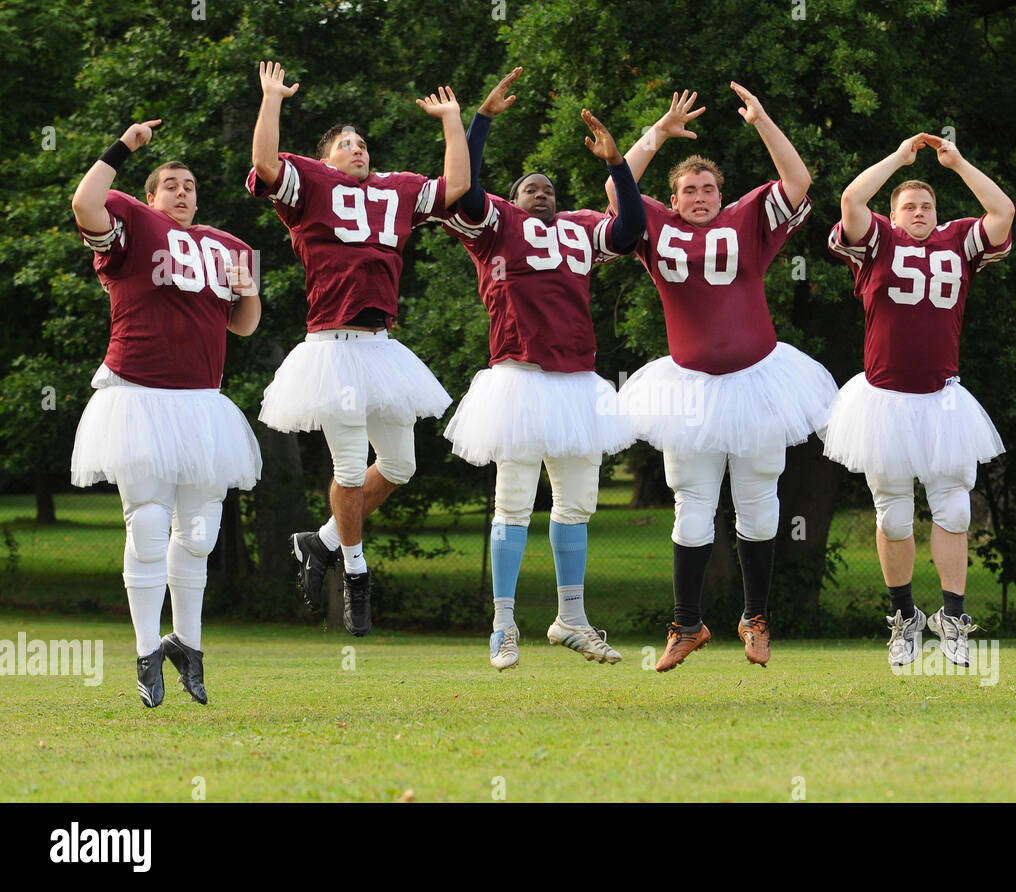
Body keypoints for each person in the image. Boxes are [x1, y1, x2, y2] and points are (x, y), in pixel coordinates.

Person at [606, 86, 837, 672]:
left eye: (709, 188)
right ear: (672, 198)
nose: (701, 196)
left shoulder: (746, 219)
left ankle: (755, 616)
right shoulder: (653, 224)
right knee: (692, 505)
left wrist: (763, 120)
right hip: (688, 387)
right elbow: (616, 188)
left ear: (722, 193)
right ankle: (687, 624)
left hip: (760, 379)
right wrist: (658, 132)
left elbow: (799, 180)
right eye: (689, 189)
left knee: (759, 505)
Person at [248, 61, 468, 637]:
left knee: (401, 465)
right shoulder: (310, 184)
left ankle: (317, 541)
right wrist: (271, 99)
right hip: (332, 346)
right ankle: (355, 571)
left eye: (362, 143)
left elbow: (458, 188)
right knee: (347, 466)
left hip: (381, 347)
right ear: (326, 160)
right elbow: (266, 163)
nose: (358, 149)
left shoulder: (395, 190)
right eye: (346, 145)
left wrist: (453, 122)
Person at [441, 67, 644, 670]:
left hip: (577, 379)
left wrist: (617, 166)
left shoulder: (581, 229)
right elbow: (465, 187)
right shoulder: (495, 225)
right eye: (530, 186)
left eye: (549, 186)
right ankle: (504, 623)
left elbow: (630, 228)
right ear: (513, 196)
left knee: (577, 502)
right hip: (520, 377)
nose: (542, 191)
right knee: (512, 501)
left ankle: (571, 618)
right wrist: (481, 121)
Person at [70, 119, 263, 708]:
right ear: (151, 196)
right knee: (149, 525)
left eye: (190, 184)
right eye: (170, 184)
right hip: (139, 393)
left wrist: (246, 289)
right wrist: (125, 147)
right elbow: (85, 201)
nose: (182, 192)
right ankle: (146, 649)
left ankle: (190, 645)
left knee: (199, 535)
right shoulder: (134, 221)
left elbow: (245, 325)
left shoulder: (229, 246)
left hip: (202, 401)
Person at [826, 133, 1014, 669]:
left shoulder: (958, 240)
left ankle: (952, 615)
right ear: (894, 212)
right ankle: (904, 615)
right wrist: (898, 159)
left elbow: (1002, 210)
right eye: (909, 205)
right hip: (883, 399)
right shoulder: (877, 239)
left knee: (954, 506)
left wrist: (958, 164)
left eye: (927, 205)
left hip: (943, 399)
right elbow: (851, 202)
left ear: (938, 212)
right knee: (894, 516)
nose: (919, 212)